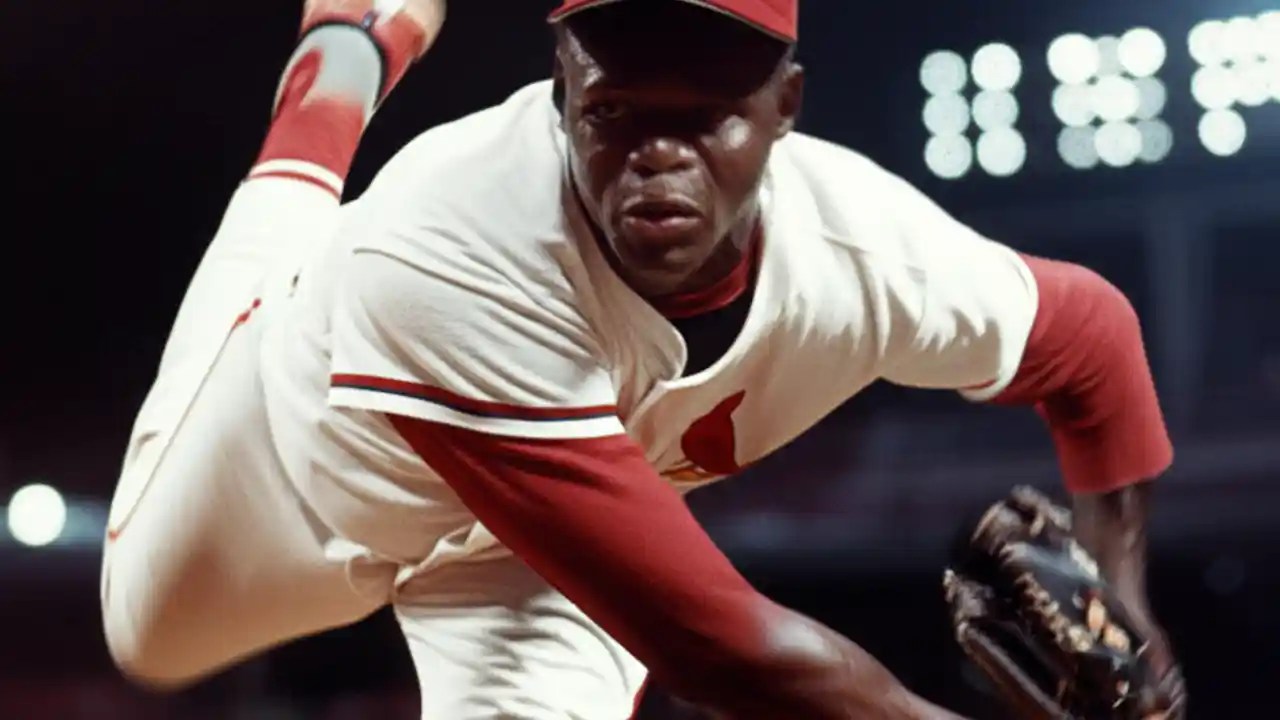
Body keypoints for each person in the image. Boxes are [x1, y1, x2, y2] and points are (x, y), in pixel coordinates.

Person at [101, 0, 1184, 718]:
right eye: (615, 111)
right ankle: (346, 50)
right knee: (147, 633)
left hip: (543, 541)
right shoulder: (449, 246)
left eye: (705, 113)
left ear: (784, 110)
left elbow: (1090, 343)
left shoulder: (859, 248)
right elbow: (731, 655)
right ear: (562, 85)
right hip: (306, 471)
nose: (655, 157)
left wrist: (1124, 601)